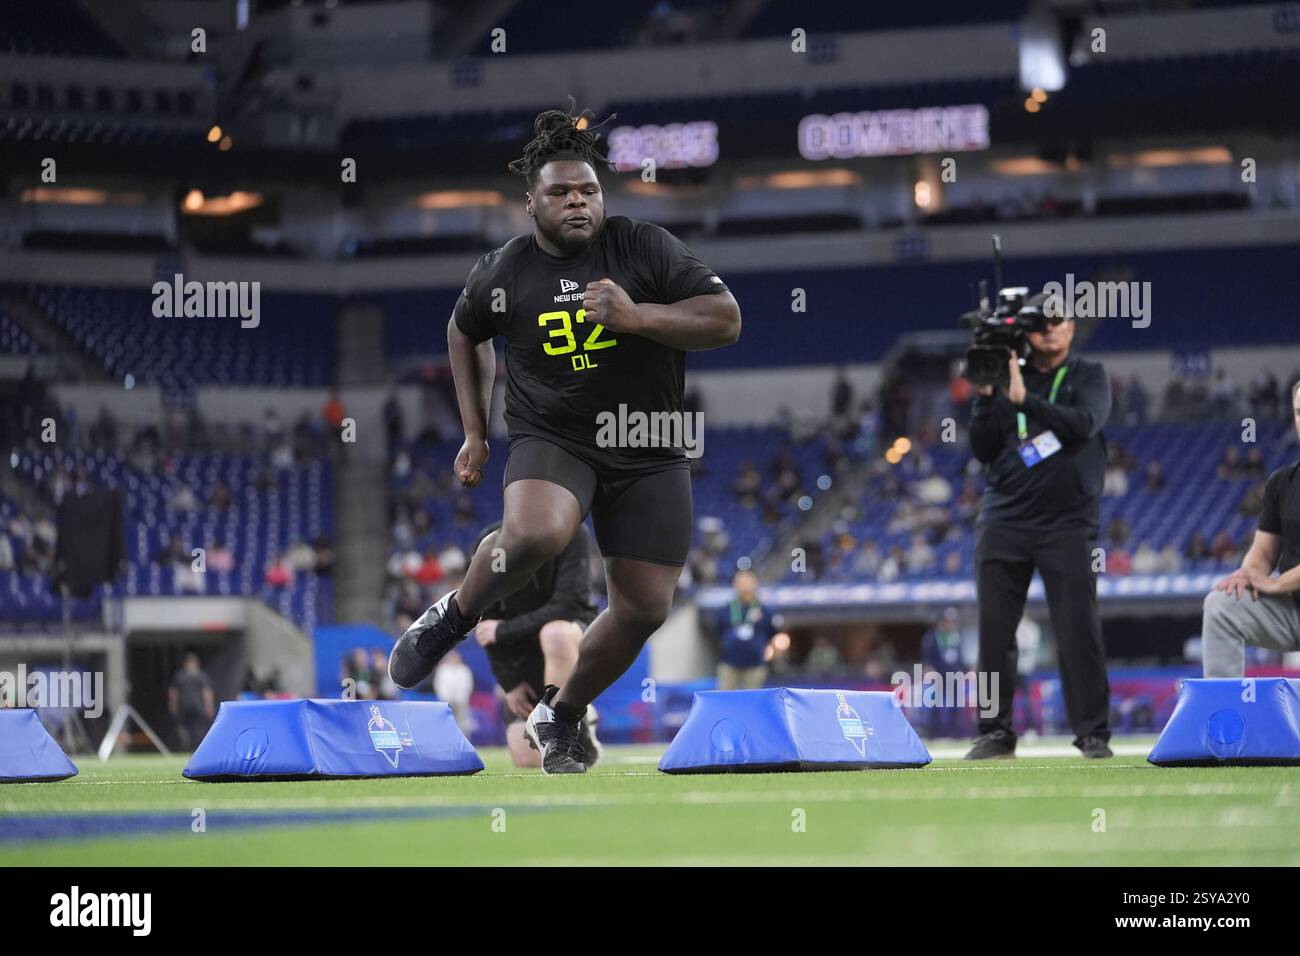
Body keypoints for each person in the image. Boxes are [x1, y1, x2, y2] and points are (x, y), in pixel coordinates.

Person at [387, 101, 741, 773]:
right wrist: (474, 431)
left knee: (644, 607)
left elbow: (725, 319)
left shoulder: (644, 246)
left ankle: (562, 713)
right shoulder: (506, 272)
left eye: (588, 192)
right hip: (555, 434)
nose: (577, 202)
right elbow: (464, 332)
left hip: (649, 438)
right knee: (536, 534)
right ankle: (453, 616)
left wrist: (637, 317)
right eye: (560, 193)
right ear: (532, 204)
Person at [966, 302, 1113, 759]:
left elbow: (1084, 424)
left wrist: (1023, 400)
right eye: (1040, 324)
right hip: (1004, 519)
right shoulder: (1005, 374)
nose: (1050, 331)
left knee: (1077, 628)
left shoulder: (1088, 374)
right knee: (993, 631)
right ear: (1027, 333)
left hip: (1067, 523)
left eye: (1059, 323)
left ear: (1071, 328)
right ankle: (994, 732)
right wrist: (988, 395)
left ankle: (1092, 734)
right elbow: (983, 448)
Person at [470, 521, 601, 768]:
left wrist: (504, 630)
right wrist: (509, 684)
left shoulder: (572, 533)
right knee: (527, 759)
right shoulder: (489, 541)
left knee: (555, 634)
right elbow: (485, 622)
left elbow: (566, 605)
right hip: (522, 651)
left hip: (570, 633)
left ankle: (569, 717)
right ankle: (579, 713)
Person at [1202, 381, 1300, 675]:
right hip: (1293, 610)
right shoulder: (1282, 482)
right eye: (1299, 411)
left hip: (1286, 588)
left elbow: (1275, 579)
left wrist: (1276, 583)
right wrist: (1250, 575)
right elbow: (1263, 551)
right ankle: (1225, 715)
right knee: (1222, 606)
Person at [714, 570, 777, 690]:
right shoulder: (725, 610)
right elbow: (718, 630)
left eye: (747, 580)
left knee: (753, 701)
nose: (744, 583)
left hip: (755, 665)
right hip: (729, 664)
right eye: (740, 580)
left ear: (755, 583)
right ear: (734, 584)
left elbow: (771, 632)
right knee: (725, 700)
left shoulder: (765, 611)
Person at [168, 653, 214, 751]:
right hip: (186, 706)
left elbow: (206, 692)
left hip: (195, 706)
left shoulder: (200, 676)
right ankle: (187, 745)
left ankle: (195, 746)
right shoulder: (180, 675)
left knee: (198, 728)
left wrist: (208, 706)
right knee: (185, 728)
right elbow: (173, 692)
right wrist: (173, 705)